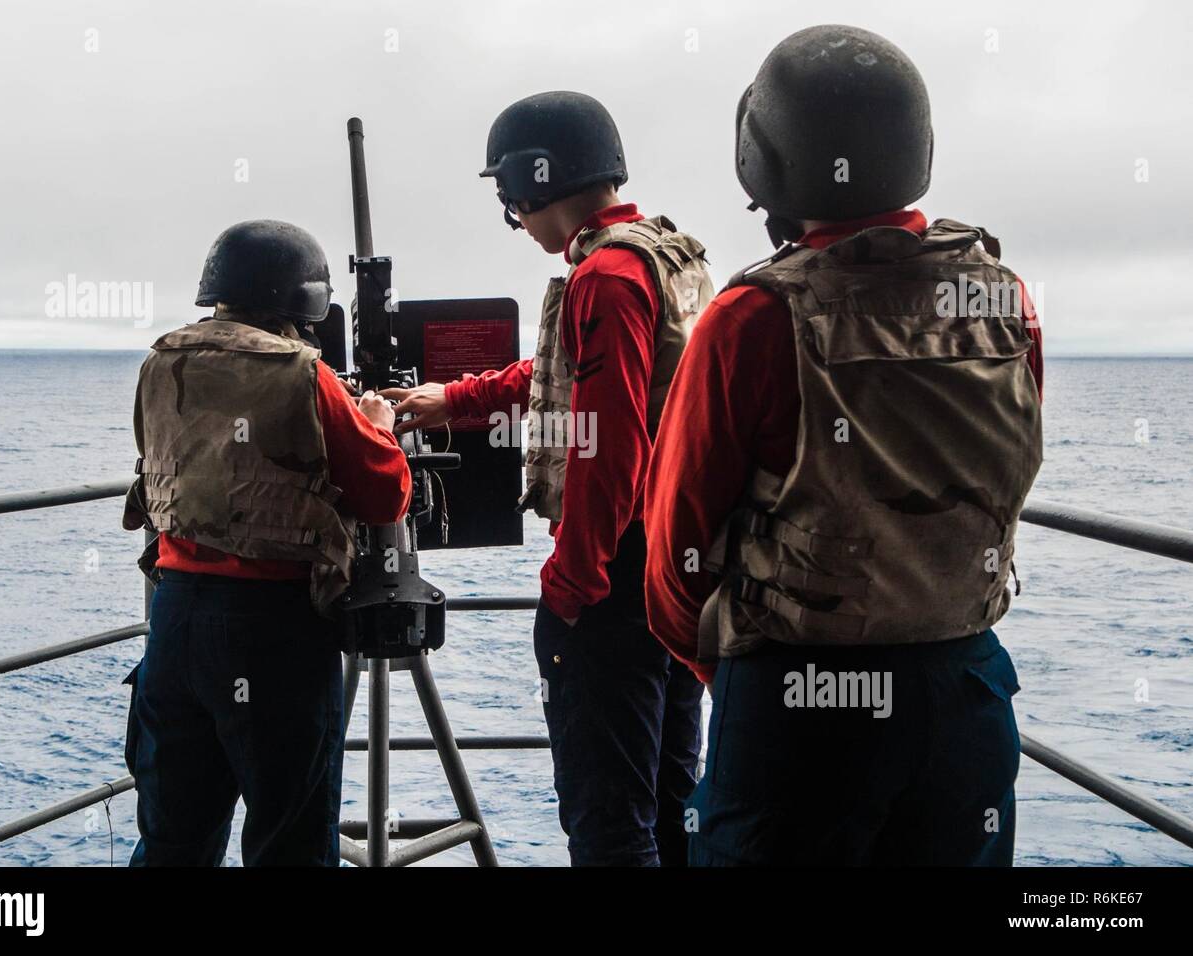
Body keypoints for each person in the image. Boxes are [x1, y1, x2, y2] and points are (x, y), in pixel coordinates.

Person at [644, 25, 1045, 866]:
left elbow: (675, 550)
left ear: (763, 157)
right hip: (968, 695)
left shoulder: (751, 319)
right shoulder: (1003, 300)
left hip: (800, 704)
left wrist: (743, 680)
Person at [381, 91, 714, 866]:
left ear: (533, 182)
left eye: (510, 196)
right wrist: (459, 399)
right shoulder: (659, 255)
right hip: (677, 561)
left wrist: (573, 580)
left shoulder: (604, 276)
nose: (513, 214)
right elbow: (581, 370)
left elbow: (608, 442)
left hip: (616, 579)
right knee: (667, 794)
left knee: (607, 814)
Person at [121, 219, 411, 866]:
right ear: (302, 305)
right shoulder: (305, 376)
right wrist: (379, 425)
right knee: (292, 842)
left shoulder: (161, 363)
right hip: (274, 627)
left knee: (174, 838)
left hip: (175, 619)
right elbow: (382, 496)